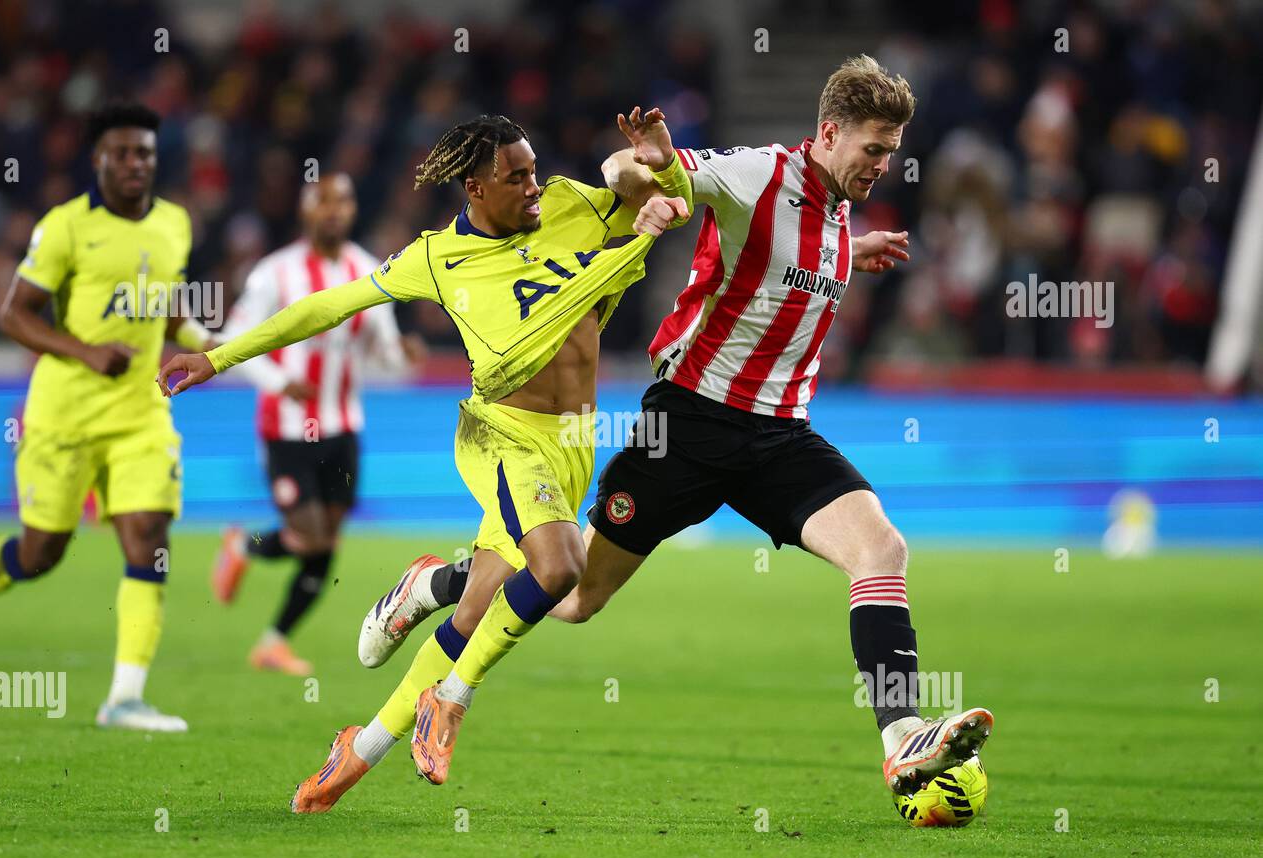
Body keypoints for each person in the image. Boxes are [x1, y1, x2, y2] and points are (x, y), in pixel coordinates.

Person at [381, 58, 995, 796]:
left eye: (891, 151)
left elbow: (783, 263)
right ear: (829, 133)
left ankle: (901, 737)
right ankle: (441, 581)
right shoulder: (758, 173)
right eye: (872, 149)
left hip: (779, 437)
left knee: (882, 549)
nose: (884, 165)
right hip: (689, 425)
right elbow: (632, 171)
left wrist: (847, 253)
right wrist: (652, 161)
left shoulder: (837, 209)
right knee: (574, 598)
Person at [155, 114, 689, 810]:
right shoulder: (437, 258)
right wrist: (219, 356)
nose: (535, 187)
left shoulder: (568, 204)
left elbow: (665, 195)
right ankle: (454, 697)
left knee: (472, 616)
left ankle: (363, 740)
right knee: (560, 569)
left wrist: (658, 162)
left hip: (572, 443)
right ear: (475, 185)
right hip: (503, 434)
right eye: (516, 176)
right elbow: (325, 307)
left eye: (535, 170)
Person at [0, 101, 214, 731]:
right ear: (98, 158)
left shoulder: (175, 224)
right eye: (123, 153)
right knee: (43, 551)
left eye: (146, 154)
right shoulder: (65, 227)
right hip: (64, 416)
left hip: (140, 415)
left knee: (148, 539)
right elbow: (14, 313)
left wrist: (202, 337)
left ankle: (124, 697)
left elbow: (165, 307)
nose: (136, 164)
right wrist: (85, 351)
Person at [209, 172, 420, 676]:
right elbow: (233, 341)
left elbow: (385, 352)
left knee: (328, 538)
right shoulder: (274, 274)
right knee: (306, 536)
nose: (335, 211)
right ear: (307, 210)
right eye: (324, 201)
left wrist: (401, 354)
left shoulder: (368, 270)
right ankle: (244, 545)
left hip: (342, 425)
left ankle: (273, 641)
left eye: (344, 201)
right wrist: (280, 381)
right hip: (286, 427)